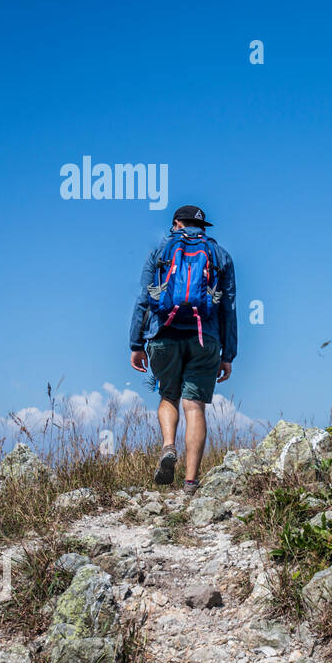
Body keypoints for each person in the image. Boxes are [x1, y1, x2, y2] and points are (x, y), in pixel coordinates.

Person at [129, 205, 237, 494]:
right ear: (202, 227)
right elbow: (228, 308)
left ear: (176, 223)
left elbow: (143, 299)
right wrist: (228, 355)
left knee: (168, 396)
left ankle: (168, 446)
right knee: (195, 406)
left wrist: (136, 344)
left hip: (163, 334)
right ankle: (190, 482)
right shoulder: (220, 255)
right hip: (205, 338)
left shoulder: (161, 251)